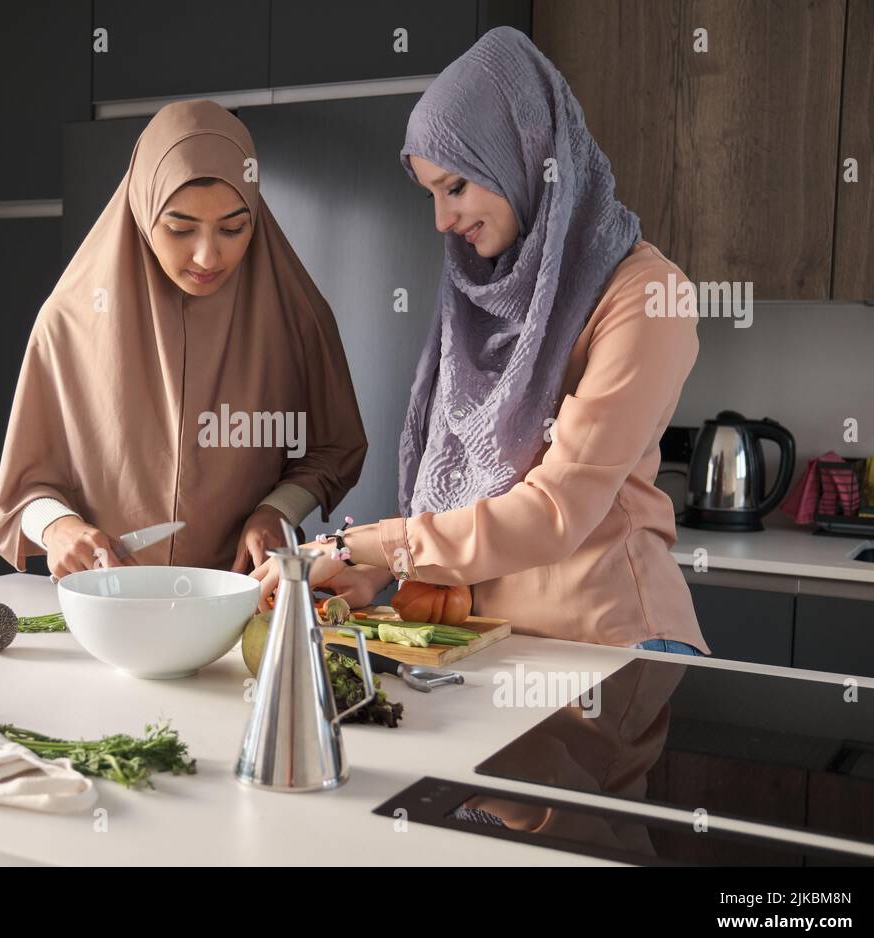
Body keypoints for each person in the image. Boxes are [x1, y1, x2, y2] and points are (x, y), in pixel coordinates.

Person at [253, 29, 707, 655]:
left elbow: (555, 511)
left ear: (524, 154)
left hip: (607, 648)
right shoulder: (481, 296)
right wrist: (374, 574)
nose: (442, 220)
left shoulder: (649, 296)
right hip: (480, 642)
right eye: (431, 195)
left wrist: (351, 544)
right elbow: (465, 491)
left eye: (456, 187)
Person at [0, 100, 367, 578]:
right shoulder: (67, 323)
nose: (208, 256)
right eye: (180, 228)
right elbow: (25, 491)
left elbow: (333, 449)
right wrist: (58, 527)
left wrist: (278, 510)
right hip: (102, 606)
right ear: (143, 210)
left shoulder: (299, 316)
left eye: (233, 227)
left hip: (240, 604)